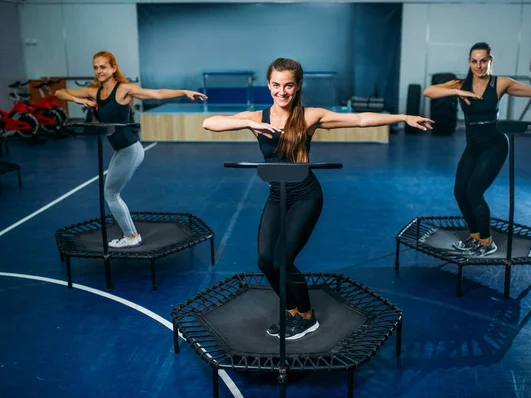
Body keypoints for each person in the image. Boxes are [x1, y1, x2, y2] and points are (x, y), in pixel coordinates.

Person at [203, 57, 434, 340]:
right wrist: (249, 126)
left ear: (298, 85)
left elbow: (360, 119)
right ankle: (292, 311)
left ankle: (308, 316)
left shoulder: (310, 116)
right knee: (265, 260)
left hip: (305, 195)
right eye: (276, 85)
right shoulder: (256, 118)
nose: (281, 92)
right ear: (268, 84)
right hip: (277, 196)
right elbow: (208, 122)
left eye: (288, 85)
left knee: (284, 260)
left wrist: (403, 117)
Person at [423, 42, 531, 256]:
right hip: (473, 146)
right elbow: (428, 92)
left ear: (490, 60)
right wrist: (457, 91)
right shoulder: (460, 83)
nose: (478, 66)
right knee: (460, 191)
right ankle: (475, 236)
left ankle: (487, 243)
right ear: (469, 62)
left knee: (474, 191)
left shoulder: (500, 83)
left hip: (494, 145)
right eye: (474, 61)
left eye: (483, 60)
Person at [56, 50, 207, 249]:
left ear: (113, 68)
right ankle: (130, 233)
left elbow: (156, 93)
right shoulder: (95, 92)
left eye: (103, 67)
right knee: (111, 193)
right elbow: (59, 93)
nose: (99, 71)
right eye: (95, 67)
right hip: (120, 150)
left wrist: (184, 92)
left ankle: (131, 236)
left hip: (130, 149)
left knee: (110, 194)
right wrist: (75, 100)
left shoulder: (124, 89)